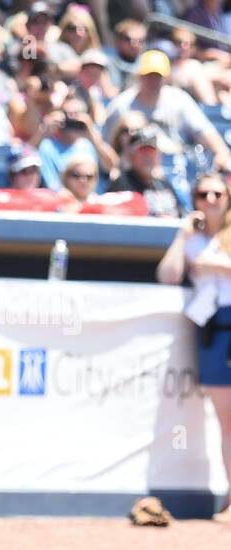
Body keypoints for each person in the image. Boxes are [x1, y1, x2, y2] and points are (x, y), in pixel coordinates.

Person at [155, 171, 231, 518]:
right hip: (214, 330)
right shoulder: (194, 240)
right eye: (204, 194)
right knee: (226, 419)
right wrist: (183, 236)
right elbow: (168, 274)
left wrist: (212, 264)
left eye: (218, 194)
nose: (211, 201)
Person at [102, 49, 231, 172]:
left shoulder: (178, 99)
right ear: (139, 76)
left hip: (176, 165)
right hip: (136, 170)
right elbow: (107, 144)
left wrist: (221, 153)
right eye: (149, 75)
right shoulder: (122, 105)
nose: (154, 80)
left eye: (158, 76)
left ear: (166, 77)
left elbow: (205, 132)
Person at [35, 92, 116, 190]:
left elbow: (112, 165)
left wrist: (91, 132)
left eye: (77, 114)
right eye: (67, 114)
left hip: (92, 199)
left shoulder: (90, 145)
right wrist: (42, 133)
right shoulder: (47, 146)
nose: (72, 119)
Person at [105, 123, 181, 216]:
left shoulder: (165, 185)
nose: (147, 157)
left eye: (151, 151)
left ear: (158, 157)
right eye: (143, 151)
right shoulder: (120, 185)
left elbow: (180, 215)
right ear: (131, 156)